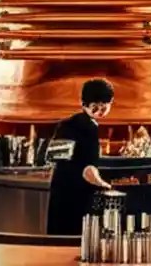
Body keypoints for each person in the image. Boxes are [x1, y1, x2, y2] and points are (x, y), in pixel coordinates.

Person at [45, 78, 114, 235]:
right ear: (85, 104)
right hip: (78, 196)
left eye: (104, 106)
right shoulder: (90, 128)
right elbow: (87, 169)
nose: (101, 110)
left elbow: (55, 156)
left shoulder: (65, 124)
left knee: (58, 238)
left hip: (59, 191)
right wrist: (104, 185)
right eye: (97, 106)